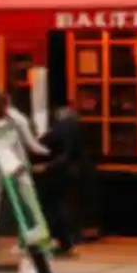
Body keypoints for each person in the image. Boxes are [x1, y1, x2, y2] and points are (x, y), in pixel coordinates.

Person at [0, 90, 51, 250]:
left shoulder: (16, 118)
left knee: (27, 193)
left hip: (15, 156)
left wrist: (46, 151)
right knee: (23, 192)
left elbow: (31, 143)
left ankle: (38, 229)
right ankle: (34, 231)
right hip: (4, 157)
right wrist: (6, 124)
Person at [38, 105, 86, 256]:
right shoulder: (75, 128)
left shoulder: (61, 129)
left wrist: (47, 166)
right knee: (63, 206)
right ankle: (66, 241)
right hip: (72, 172)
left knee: (55, 207)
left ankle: (64, 240)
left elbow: (63, 153)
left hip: (59, 173)